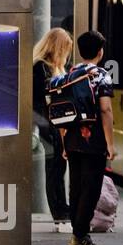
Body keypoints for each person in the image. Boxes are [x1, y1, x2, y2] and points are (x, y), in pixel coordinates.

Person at [64, 30, 115, 245]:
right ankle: (80, 235)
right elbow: (105, 109)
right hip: (93, 140)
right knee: (91, 187)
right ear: (100, 52)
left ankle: (77, 231)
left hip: (72, 137)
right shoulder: (102, 75)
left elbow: (63, 110)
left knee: (75, 185)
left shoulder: (71, 73)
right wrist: (110, 143)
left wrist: (64, 139)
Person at [33, 28, 73, 229]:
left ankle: (62, 211)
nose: (67, 54)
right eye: (65, 49)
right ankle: (59, 214)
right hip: (48, 125)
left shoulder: (53, 68)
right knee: (54, 170)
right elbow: (42, 99)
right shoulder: (41, 68)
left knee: (59, 168)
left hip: (56, 124)